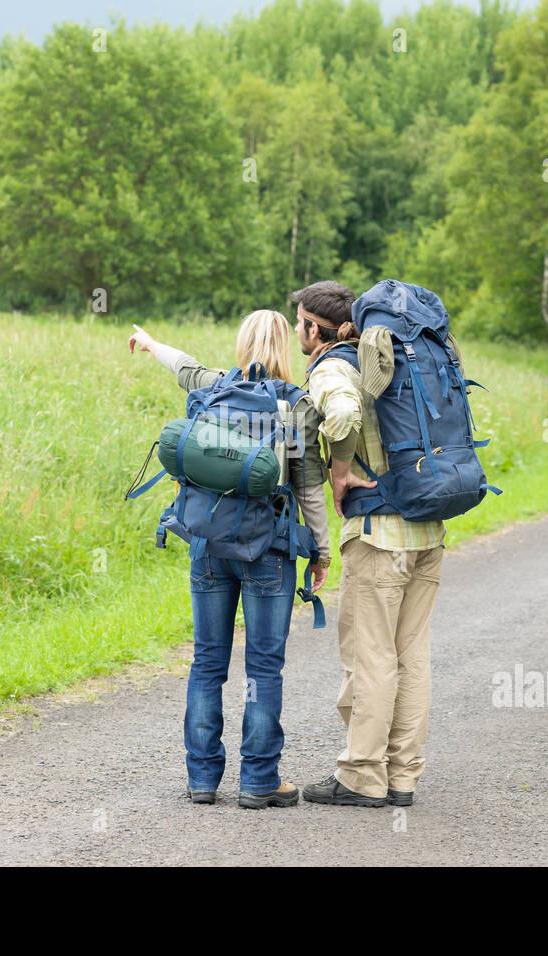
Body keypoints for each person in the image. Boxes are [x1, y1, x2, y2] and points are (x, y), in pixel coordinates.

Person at [128, 310, 331, 809]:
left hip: (208, 547)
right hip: (270, 552)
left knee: (206, 663)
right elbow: (308, 490)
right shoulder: (296, 406)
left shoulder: (215, 387)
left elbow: (184, 366)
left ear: (241, 344)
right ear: (286, 346)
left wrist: (150, 342)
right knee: (264, 668)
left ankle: (202, 779)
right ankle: (259, 782)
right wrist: (321, 551)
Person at [292, 280, 450, 808]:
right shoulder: (393, 356)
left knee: (373, 656)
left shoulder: (335, 366)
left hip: (380, 537)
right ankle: (402, 777)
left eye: (300, 321)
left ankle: (362, 775)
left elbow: (340, 415)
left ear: (316, 328)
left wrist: (339, 472)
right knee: (413, 657)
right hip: (427, 531)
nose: (296, 329)